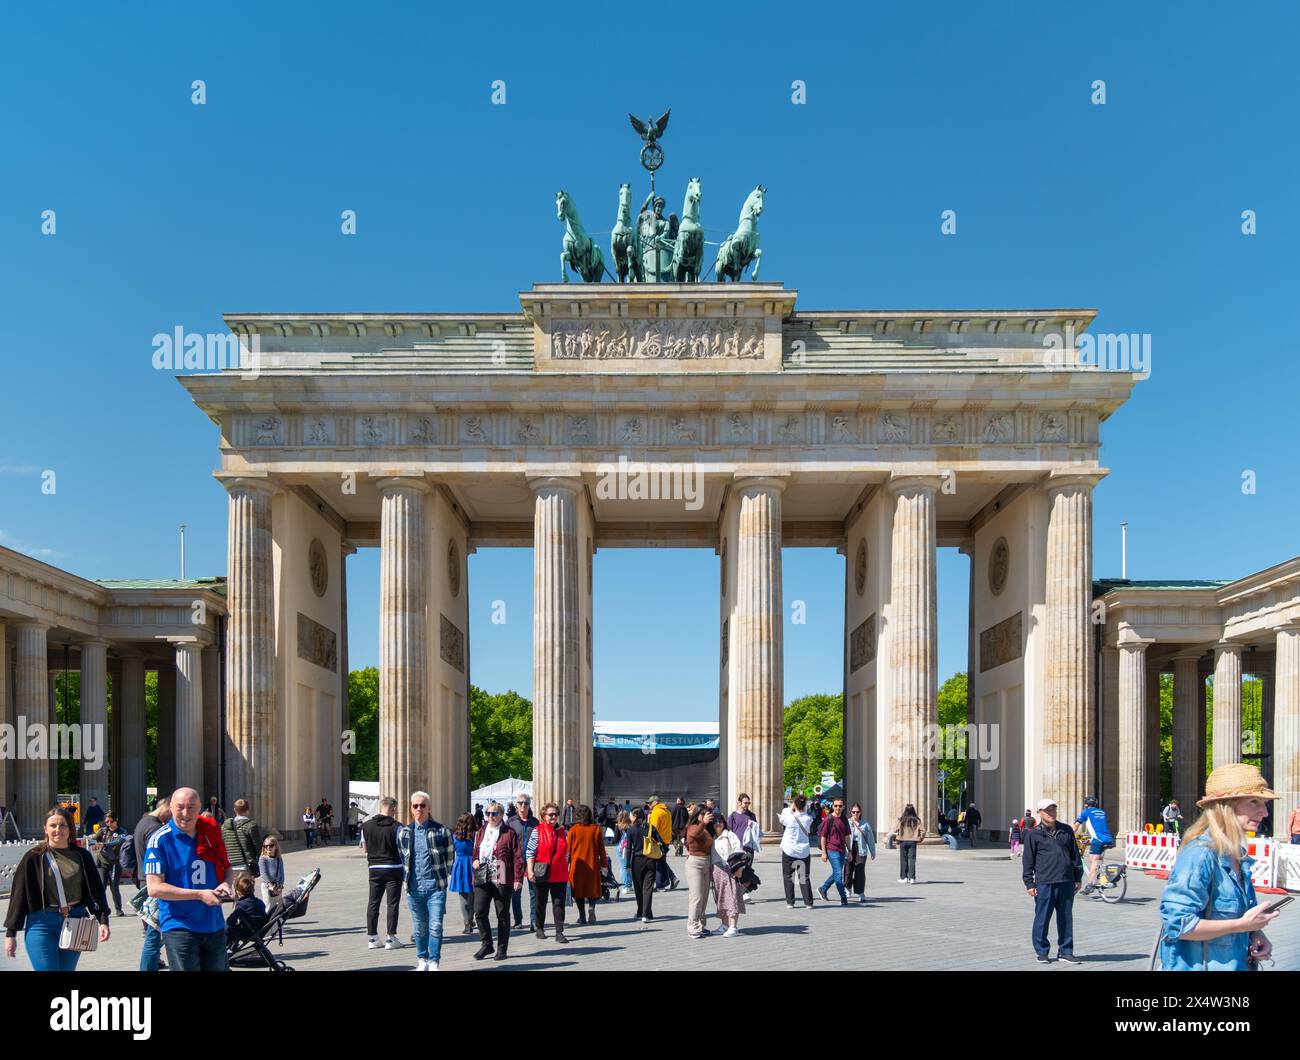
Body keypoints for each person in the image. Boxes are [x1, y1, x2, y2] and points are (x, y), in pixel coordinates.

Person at [1158, 764, 1282, 970]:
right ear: (1225, 806)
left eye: (1264, 803)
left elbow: (1237, 918)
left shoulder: (1237, 855)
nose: (1264, 812)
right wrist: (1245, 925)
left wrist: (1255, 934)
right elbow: (1178, 925)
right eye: (1254, 802)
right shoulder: (1200, 854)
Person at [4, 806, 111, 970]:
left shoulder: (82, 856)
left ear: (70, 829)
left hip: (75, 921)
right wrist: (11, 933)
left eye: (62, 825)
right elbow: (19, 895)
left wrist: (103, 919)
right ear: (45, 829)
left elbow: (95, 890)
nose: (57, 830)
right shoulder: (33, 857)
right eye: (53, 825)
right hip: (41, 923)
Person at [144, 787, 235, 971]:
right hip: (179, 925)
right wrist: (199, 894)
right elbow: (154, 888)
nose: (186, 813)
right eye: (180, 807)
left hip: (213, 923)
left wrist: (226, 882)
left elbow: (227, 867)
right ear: (170, 808)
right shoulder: (160, 840)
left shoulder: (210, 831)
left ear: (200, 807)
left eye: (192, 807)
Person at [395, 790, 453, 971]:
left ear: (429, 808)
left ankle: (434, 961)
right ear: (411, 809)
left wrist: (443, 877)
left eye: (422, 805)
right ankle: (422, 960)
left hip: (435, 888)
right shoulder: (404, 832)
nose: (419, 808)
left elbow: (450, 857)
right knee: (419, 928)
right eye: (415, 806)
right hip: (414, 889)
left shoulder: (441, 830)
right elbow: (402, 857)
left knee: (435, 927)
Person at [1022, 797, 1082, 964]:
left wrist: (1078, 877)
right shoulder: (1033, 834)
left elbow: (1075, 855)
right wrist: (1029, 883)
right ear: (1039, 813)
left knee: (1065, 919)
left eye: (1053, 809)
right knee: (1042, 918)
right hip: (1045, 882)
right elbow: (1028, 860)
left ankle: (1066, 951)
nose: (1051, 813)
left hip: (1066, 881)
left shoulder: (1066, 830)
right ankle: (1042, 951)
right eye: (1047, 810)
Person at [472, 802, 524, 961]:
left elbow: (517, 856)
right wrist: (474, 860)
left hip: (501, 871)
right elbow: (476, 851)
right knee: (479, 911)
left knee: (502, 913)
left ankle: (502, 948)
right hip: (482, 872)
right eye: (488, 813)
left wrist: (517, 878)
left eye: (494, 814)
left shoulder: (509, 832)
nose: (490, 817)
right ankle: (487, 944)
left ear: (501, 815)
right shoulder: (482, 831)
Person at [132, 795, 171, 971]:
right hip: (154, 882)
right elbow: (160, 857)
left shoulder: (143, 822)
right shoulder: (155, 828)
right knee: (154, 933)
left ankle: (154, 961)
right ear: (167, 807)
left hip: (143, 878)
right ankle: (148, 965)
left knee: (152, 930)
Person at [361, 796, 404, 950]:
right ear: (393, 809)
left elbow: (365, 848)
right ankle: (391, 938)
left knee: (373, 902)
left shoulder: (366, 826)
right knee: (392, 903)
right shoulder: (398, 827)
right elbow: (402, 849)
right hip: (393, 868)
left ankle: (372, 938)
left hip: (374, 868)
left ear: (380, 808)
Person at [526, 802, 570, 943]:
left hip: (559, 873)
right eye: (550, 814)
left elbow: (566, 852)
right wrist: (530, 870)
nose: (553, 817)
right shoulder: (537, 831)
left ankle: (559, 932)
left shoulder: (563, 832)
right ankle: (539, 927)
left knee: (559, 903)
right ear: (543, 816)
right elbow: (530, 852)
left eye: (555, 814)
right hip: (542, 872)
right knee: (540, 902)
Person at [567, 803, 607, 926]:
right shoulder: (596, 829)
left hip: (577, 866)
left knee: (578, 891)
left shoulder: (573, 830)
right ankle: (591, 907)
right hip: (592, 865)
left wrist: (565, 866)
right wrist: (604, 865)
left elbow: (568, 850)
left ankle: (582, 916)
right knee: (591, 889)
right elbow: (602, 850)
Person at [709, 811, 746, 937]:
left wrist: (736, 866)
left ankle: (733, 926)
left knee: (732, 897)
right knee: (721, 899)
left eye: (720, 822)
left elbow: (739, 851)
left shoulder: (730, 835)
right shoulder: (712, 837)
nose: (718, 824)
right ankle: (724, 925)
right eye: (715, 822)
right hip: (717, 871)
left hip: (730, 870)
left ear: (724, 823)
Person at [507, 795, 539, 930]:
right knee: (516, 891)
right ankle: (518, 920)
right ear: (516, 805)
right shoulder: (511, 822)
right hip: (516, 861)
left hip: (533, 860)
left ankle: (534, 921)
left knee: (534, 892)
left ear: (529, 805)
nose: (523, 806)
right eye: (520, 803)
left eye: (526, 803)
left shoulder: (535, 822)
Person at [684, 805, 715, 938]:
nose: (706, 816)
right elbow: (694, 833)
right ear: (697, 815)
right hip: (694, 863)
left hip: (706, 863)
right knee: (696, 896)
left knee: (704, 897)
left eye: (707, 814)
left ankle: (701, 925)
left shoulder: (706, 829)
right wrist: (703, 823)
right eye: (703, 814)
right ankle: (692, 926)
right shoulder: (693, 827)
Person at [779, 795, 815, 908]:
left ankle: (790, 902)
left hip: (789, 850)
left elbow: (782, 817)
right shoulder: (809, 819)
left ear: (794, 804)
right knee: (804, 876)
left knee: (788, 876)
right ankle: (808, 902)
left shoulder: (789, 817)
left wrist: (791, 807)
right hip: (804, 851)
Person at [1074, 795, 1115, 895]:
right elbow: (1099, 828)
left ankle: (1089, 885)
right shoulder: (1102, 812)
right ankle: (1101, 878)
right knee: (1094, 859)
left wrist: (1069, 835)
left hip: (1098, 840)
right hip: (1108, 838)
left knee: (1094, 862)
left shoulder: (1086, 812)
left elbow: (1076, 825)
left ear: (1086, 804)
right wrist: (1090, 841)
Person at [626, 808, 658, 923]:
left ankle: (642, 912)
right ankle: (644, 914)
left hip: (636, 861)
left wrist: (627, 864)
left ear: (635, 816)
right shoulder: (650, 827)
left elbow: (629, 849)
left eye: (631, 815)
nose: (630, 817)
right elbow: (660, 842)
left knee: (638, 888)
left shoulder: (631, 830)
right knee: (648, 888)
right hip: (650, 860)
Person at [818, 798, 851, 905]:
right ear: (832, 806)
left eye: (840, 806)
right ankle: (843, 896)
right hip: (832, 850)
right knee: (838, 874)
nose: (838, 808)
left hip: (842, 850)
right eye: (836, 805)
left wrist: (849, 850)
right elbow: (823, 837)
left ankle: (823, 889)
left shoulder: (844, 819)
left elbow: (847, 836)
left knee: (836, 874)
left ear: (843, 807)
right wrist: (824, 852)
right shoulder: (828, 819)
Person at [221, 798, 264, 879]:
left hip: (230, 865)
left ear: (234, 810)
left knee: (235, 890)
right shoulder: (251, 825)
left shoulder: (224, 826)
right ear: (248, 810)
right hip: (246, 865)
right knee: (246, 889)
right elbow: (258, 846)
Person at [95, 811, 128, 916]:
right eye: (106, 821)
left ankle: (118, 909)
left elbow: (119, 841)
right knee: (101, 887)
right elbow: (93, 839)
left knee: (114, 887)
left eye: (111, 821)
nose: (109, 823)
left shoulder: (122, 831)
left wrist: (104, 844)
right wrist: (93, 841)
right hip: (103, 862)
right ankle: (101, 909)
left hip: (115, 863)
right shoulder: (103, 831)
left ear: (116, 820)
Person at [450, 813, 477, 934]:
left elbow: (451, 853)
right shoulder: (475, 835)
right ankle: (471, 919)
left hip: (460, 864)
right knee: (473, 895)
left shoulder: (455, 836)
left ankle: (467, 923)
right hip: (473, 864)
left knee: (463, 897)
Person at [844, 803, 876, 902]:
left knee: (860, 870)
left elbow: (870, 838)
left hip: (861, 849)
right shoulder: (847, 822)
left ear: (860, 812)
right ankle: (847, 888)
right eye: (853, 812)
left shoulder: (865, 823)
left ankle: (860, 892)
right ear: (851, 812)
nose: (855, 813)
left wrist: (872, 851)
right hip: (849, 848)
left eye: (857, 812)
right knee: (848, 869)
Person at [225, 874, 267, 946]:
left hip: (246, 932)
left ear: (238, 892)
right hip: (260, 930)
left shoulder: (242, 905)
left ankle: (224, 945)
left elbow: (230, 921)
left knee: (225, 928)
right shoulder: (260, 902)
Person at [648, 795, 679, 891]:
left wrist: (649, 839)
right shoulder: (667, 811)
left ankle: (663, 883)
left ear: (655, 802)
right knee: (661, 860)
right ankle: (672, 878)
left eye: (650, 803)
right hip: (666, 840)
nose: (649, 805)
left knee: (658, 862)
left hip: (657, 841)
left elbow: (653, 828)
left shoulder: (656, 812)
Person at [895, 803, 926, 883]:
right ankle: (912, 878)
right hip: (913, 841)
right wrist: (921, 838)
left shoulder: (901, 820)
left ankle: (903, 877)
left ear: (905, 811)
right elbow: (923, 831)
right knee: (912, 860)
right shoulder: (917, 820)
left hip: (903, 841)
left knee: (903, 859)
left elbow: (895, 830)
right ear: (913, 811)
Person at [728, 793, 760, 869]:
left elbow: (757, 831)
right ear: (739, 802)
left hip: (748, 847)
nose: (747, 805)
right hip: (736, 847)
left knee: (747, 870)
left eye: (749, 803)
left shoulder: (751, 815)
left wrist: (753, 826)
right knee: (736, 869)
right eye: (745, 803)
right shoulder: (733, 816)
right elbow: (729, 831)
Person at [258, 835, 285, 911]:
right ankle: (267, 922)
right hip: (267, 886)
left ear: (275, 846)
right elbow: (264, 874)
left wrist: (280, 885)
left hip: (277, 886)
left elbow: (281, 873)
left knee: (279, 907)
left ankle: (276, 922)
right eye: (266, 846)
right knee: (268, 906)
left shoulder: (279, 858)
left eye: (271, 845)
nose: (268, 848)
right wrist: (270, 886)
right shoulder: (263, 859)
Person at [613, 810, 634, 895]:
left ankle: (625, 886)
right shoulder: (631, 826)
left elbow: (615, 839)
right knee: (629, 867)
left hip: (620, 848)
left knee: (623, 867)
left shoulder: (618, 826)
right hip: (630, 848)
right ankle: (629, 885)